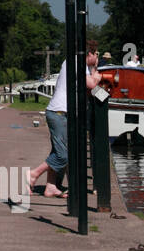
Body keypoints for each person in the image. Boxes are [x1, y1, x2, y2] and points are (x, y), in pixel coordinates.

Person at [28, 41, 100, 199]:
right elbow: (92, 84)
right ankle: (33, 174)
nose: (97, 57)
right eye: (96, 54)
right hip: (59, 113)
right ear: (89, 54)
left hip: (61, 113)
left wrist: (92, 69)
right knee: (63, 155)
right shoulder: (76, 63)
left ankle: (51, 186)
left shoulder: (75, 63)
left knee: (57, 151)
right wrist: (97, 72)